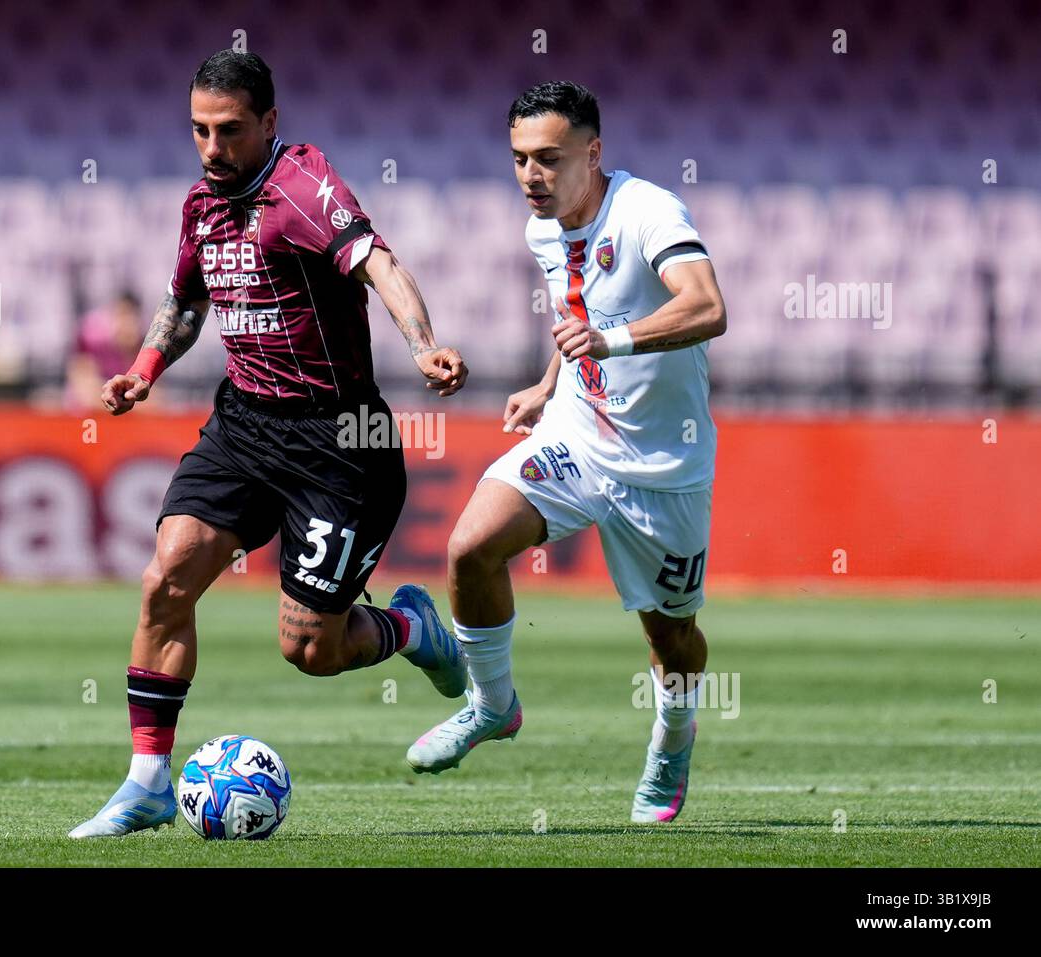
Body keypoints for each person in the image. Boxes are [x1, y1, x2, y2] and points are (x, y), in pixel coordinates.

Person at [70, 50, 471, 838]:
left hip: (338, 442)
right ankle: (147, 783)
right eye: (198, 131)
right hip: (245, 425)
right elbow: (186, 302)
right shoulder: (201, 205)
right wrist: (142, 369)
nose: (212, 148)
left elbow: (378, 262)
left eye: (229, 131)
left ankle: (411, 628)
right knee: (165, 581)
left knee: (312, 649)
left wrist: (424, 344)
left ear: (270, 124)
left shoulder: (304, 187)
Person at [406, 81, 727, 824]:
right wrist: (551, 383)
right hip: (578, 435)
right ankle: (492, 705)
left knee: (670, 635)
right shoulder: (541, 230)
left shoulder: (649, 212)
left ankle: (673, 738)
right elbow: (581, 309)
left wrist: (609, 342)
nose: (530, 176)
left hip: (663, 465)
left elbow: (708, 307)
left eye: (548, 158)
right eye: (519, 159)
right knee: (469, 548)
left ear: (594, 151)